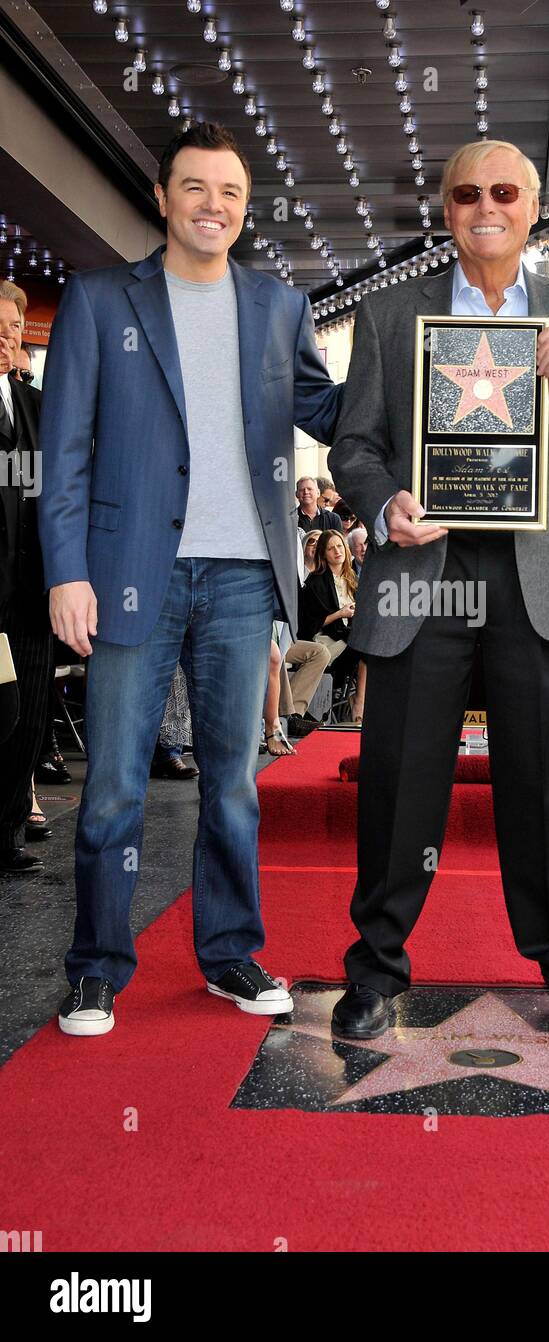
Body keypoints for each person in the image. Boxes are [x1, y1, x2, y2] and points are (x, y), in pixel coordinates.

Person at [39, 121, 341, 1036]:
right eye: (196, 188)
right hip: (130, 571)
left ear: (246, 211)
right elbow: (66, 453)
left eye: (232, 194)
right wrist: (66, 572)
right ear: (162, 197)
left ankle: (230, 955)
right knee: (116, 786)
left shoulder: (280, 309)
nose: (215, 206)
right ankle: (95, 967)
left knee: (234, 782)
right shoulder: (99, 302)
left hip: (246, 574)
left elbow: (327, 409)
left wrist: (429, 376)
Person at [328, 138, 549, 1044]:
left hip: (539, 577)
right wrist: (384, 506)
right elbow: (353, 449)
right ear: (445, 210)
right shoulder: (387, 315)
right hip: (425, 570)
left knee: (545, 785)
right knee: (398, 778)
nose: (484, 206)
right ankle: (375, 970)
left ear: (533, 207)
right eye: (465, 193)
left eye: (503, 191)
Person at [0, 282, 54, 875]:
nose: (4, 337)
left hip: (33, 593)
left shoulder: (40, 408)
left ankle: (8, 832)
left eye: (11, 328)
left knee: (28, 722)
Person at [299, 528, 365, 716]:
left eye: (339, 546)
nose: (337, 551)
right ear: (323, 554)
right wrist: (340, 614)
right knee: (365, 646)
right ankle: (358, 703)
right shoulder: (315, 582)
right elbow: (310, 625)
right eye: (330, 548)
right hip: (326, 643)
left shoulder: (352, 578)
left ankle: (361, 700)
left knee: (372, 643)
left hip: (349, 638)